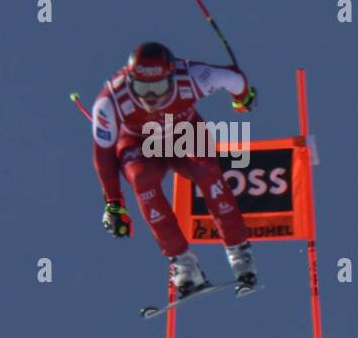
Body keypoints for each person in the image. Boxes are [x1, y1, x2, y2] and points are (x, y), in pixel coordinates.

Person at [92, 41, 258, 295]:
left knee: (206, 169)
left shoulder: (191, 77)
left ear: (170, 77)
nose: (150, 96)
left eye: (157, 87)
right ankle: (182, 262)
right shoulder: (110, 100)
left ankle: (239, 252)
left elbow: (234, 79)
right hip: (139, 141)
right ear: (130, 80)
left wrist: (242, 98)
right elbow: (103, 154)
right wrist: (114, 203)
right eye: (141, 87)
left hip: (183, 132)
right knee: (141, 178)